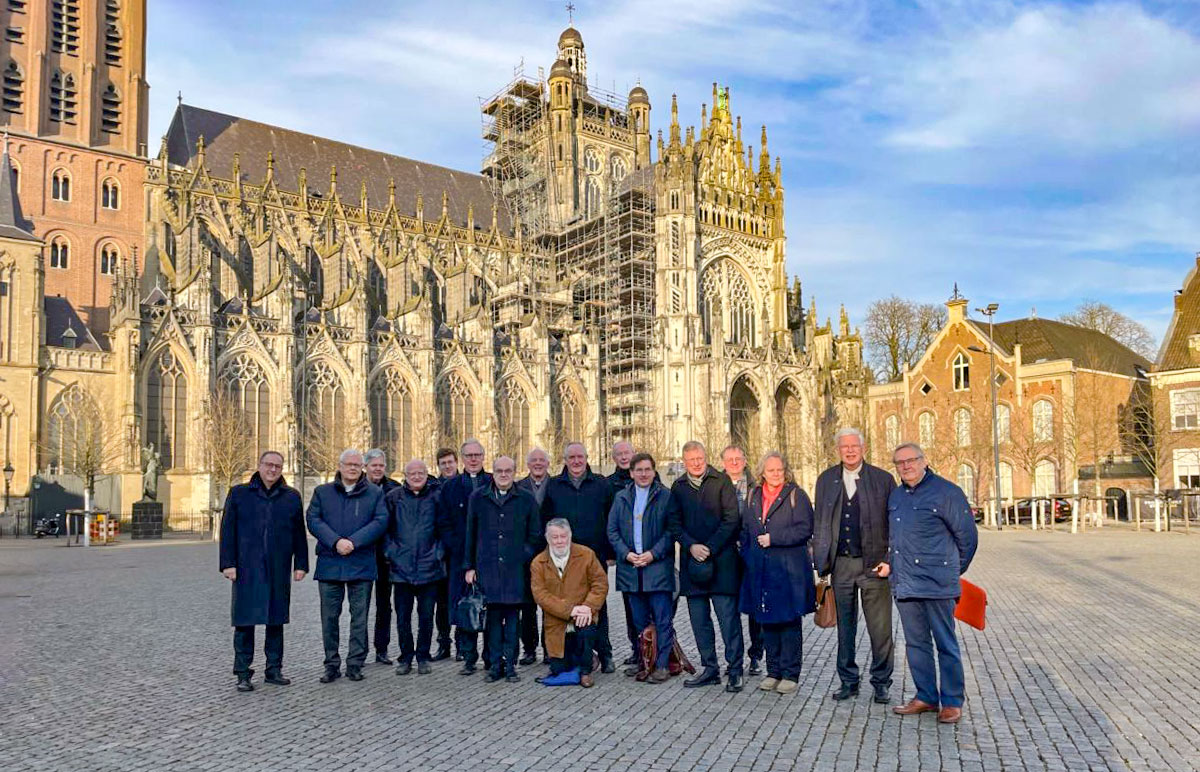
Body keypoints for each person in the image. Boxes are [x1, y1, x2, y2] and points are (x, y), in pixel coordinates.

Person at [882, 442, 979, 724]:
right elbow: (895, 538)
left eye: (912, 460)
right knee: (916, 644)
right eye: (900, 463)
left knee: (945, 643)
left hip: (938, 585)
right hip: (905, 585)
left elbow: (968, 539)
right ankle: (925, 696)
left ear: (924, 461)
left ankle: (951, 701)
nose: (906, 466)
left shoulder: (948, 493)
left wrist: (949, 571)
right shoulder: (896, 496)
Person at [814, 427, 898, 704]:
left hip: (873, 564)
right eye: (844, 446)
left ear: (863, 448)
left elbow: (894, 524)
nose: (849, 450)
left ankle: (881, 681)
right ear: (838, 449)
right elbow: (821, 522)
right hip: (841, 565)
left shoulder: (883, 480)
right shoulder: (826, 479)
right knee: (845, 628)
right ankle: (848, 680)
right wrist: (821, 561)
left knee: (880, 628)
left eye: (854, 446)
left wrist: (888, 559)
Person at [219, 451, 308, 692]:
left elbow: (299, 533)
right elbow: (228, 531)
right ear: (259, 466)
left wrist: (301, 564)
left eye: (277, 466)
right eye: (268, 465)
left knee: (275, 620)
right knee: (244, 622)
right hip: (247, 567)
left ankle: (274, 669)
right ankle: (242, 672)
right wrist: (228, 563)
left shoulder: (291, 497)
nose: (272, 470)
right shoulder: (239, 494)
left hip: (278, 567)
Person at [305, 448, 388, 683]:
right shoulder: (323, 492)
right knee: (329, 617)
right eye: (348, 464)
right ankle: (331, 664)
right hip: (331, 562)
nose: (353, 468)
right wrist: (336, 541)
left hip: (360, 562)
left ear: (362, 467)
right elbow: (313, 519)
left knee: (359, 617)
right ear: (340, 466)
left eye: (357, 464)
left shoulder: (374, 493)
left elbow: (380, 521)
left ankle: (355, 663)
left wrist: (354, 542)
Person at [669, 440, 745, 692]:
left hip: (722, 563)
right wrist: (691, 546)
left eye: (699, 458)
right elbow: (674, 523)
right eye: (691, 460)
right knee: (699, 621)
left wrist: (710, 547)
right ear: (684, 461)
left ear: (705, 457)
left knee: (728, 621)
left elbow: (731, 519)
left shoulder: (721, 481)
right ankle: (710, 668)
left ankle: (735, 670)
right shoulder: (678, 487)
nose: (696, 463)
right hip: (693, 566)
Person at [739, 452, 816, 695]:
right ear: (762, 472)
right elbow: (746, 529)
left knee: (789, 622)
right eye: (771, 470)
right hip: (761, 570)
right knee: (767, 623)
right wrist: (747, 554)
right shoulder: (753, 495)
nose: (775, 474)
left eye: (779, 470)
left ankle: (790, 673)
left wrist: (775, 539)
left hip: (788, 569)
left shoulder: (796, 495)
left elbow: (805, 529)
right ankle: (772, 671)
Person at [540, 442, 617, 673]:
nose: (576, 461)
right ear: (565, 460)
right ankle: (561, 654)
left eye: (580, 457)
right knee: (562, 606)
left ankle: (605, 654)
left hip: (595, 556)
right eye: (571, 457)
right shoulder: (553, 485)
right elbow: (545, 519)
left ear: (586, 457)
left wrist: (611, 553)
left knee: (597, 607)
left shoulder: (601, 484)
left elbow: (611, 519)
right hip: (562, 557)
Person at [464, 455, 541, 683]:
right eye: (499, 471)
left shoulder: (526, 499)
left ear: (515, 472)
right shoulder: (478, 497)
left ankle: (511, 666)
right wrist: (469, 566)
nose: (504, 475)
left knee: (513, 621)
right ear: (493, 472)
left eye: (508, 471)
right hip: (487, 568)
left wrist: (521, 556)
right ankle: (494, 665)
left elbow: (535, 535)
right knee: (493, 621)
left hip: (515, 570)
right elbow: (471, 533)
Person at [607, 452, 675, 683]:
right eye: (639, 470)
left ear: (654, 471)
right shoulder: (621, 497)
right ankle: (643, 661)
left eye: (647, 469)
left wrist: (652, 554)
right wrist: (626, 554)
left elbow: (670, 530)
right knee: (638, 621)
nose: (643, 474)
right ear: (631, 473)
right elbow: (612, 531)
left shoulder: (665, 496)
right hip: (630, 569)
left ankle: (663, 665)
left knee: (662, 619)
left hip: (656, 568)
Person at [384, 458, 447, 676]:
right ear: (406, 476)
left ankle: (422, 656)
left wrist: (438, 554)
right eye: (413, 473)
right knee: (402, 617)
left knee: (426, 617)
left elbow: (444, 529)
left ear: (427, 474)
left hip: (430, 568)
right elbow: (385, 530)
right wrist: (391, 553)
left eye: (421, 473)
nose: (417, 477)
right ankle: (405, 658)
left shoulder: (437, 497)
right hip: (401, 569)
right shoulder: (393, 498)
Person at [531, 518, 609, 688]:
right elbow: (540, 595)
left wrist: (588, 607)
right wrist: (571, 610)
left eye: (563, 536)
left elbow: (600, 583)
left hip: (584, 614)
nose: (559, 541)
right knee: (559, 669)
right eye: (554, 537)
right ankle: (576, 659)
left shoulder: (587, 554)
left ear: (570, 536)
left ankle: (586, 670)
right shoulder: (538, 562)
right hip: (557, 621)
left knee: (586, 629)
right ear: (547, 538)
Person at [438, 439, 491, 673]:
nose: (473, 459)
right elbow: (444, 522)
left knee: (490, 607)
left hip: (490, 557)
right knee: (465, 605)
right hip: (460, 557)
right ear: (462, 458)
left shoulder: (492, 481)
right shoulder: (450, 487)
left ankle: (491, 656)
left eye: (477, 455)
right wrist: (456, 546)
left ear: (483, 457)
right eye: (468, 455)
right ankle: (468, 656)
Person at [722, 444, 762, 676]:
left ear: (745, 461)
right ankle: (734, 657)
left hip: (753, 553)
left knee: (755, 608)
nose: (735, 463)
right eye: (730, 459)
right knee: (731, 608)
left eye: (738, 458)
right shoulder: (717, 484)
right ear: (724, 463)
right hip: (727, 554)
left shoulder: (756, 486)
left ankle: (756, 655)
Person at [364, 448, 402, 665]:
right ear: (366, 467)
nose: (378, 469)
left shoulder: (394, 488)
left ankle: (382, 649)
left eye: (381, 465)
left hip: (386, 558)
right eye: (374, 465)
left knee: (384, 605)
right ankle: (358, 651)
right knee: (359, 606)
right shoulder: (357, 488)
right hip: (362, 555)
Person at [606, 439, 641, 667]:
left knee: (653, 606)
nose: (623, 457)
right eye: (619, 454)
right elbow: (609, 523)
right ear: (614, 459)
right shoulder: (609, 485)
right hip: (625, 555)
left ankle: (654, 648)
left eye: (627, 452)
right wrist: (615, 551)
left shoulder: (651, 479)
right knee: (630, 606)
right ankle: (637, 649)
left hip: (650, 555)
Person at [515, 447, 552, 664]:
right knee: (527, 605)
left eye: (542, 460)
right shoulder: (518, 487)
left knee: (550, 605)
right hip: (525, 555)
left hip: (550, 554)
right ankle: (529, 649)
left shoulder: (556, 486)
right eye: (533, 460)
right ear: (527, 464)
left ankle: (550, 648)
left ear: (548, 463)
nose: (538, 464)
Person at [430, 446, 460, 661]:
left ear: (456, 463)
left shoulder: (465, 484)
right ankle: (443, 643)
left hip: (458, 551)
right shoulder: (432, 486)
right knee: (440, 601)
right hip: (438, 553)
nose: (448, 466)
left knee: (460, 598)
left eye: (450, 462)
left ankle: (461, 645)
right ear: (438, 466)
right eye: (443, 463)